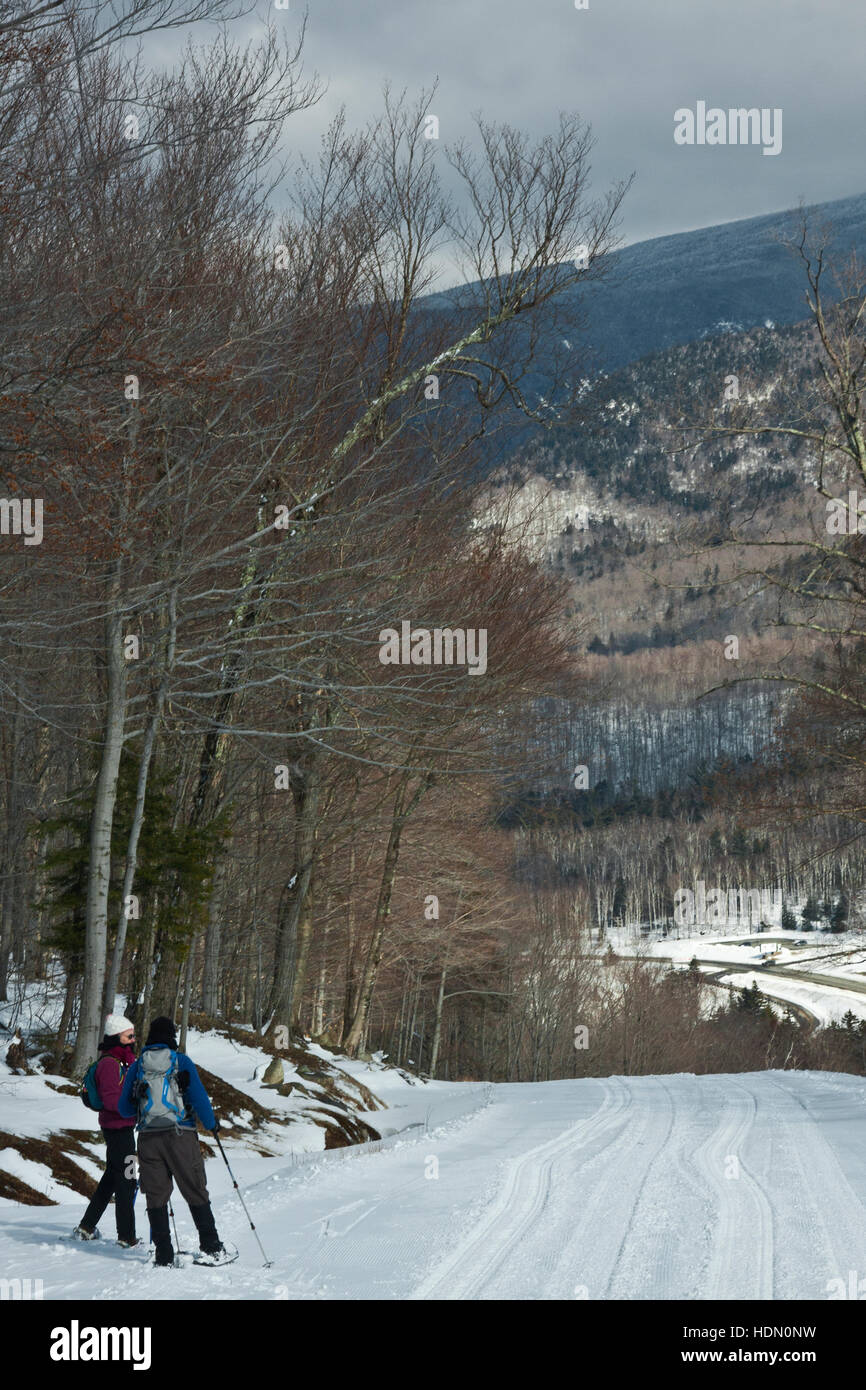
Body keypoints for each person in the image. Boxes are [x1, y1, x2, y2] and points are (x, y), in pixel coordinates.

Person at [118, 1016, 226, 1267]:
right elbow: (199, 1098)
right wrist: (211, 1124)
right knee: (194, 1188)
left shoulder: (138, 1066)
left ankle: (164, 1254)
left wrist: (136, 1098)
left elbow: (124, 1109)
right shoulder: (180, 1062)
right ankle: (211, 1247)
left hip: (148, 1138)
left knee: (155, 1195)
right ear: (172, 1037)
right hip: (180, 1135)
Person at [71, 1013, 139, 1247]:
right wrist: (135, 1107)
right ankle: (126, 1237)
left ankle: (86, 1227)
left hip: (123, 1127)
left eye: (133, 1035)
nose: (133, 1039)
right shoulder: (110, 1063)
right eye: (129, 1036)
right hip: (117, 1129)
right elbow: (112, 1101)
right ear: (116, 1037)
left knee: (111, 1177)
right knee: (128, 1178)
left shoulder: (124, 1061)